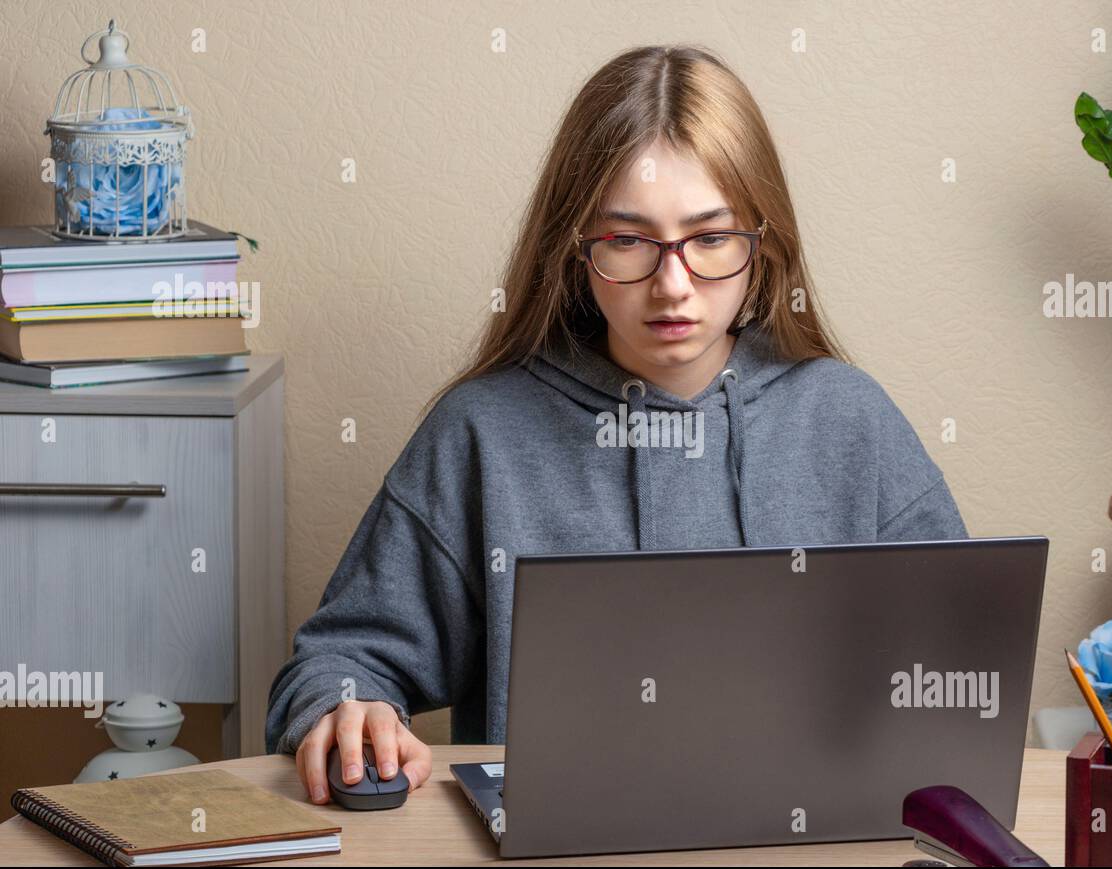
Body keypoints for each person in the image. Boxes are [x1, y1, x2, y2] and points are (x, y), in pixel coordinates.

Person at [265, 45, 968, 806]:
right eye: (628, 241)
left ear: (764, 247)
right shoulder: (481, 432)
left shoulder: (850, 421)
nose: (673, 286)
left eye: (710, 239)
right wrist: (349, 708)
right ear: (575, 252)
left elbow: (958, 664)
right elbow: (340, 659)